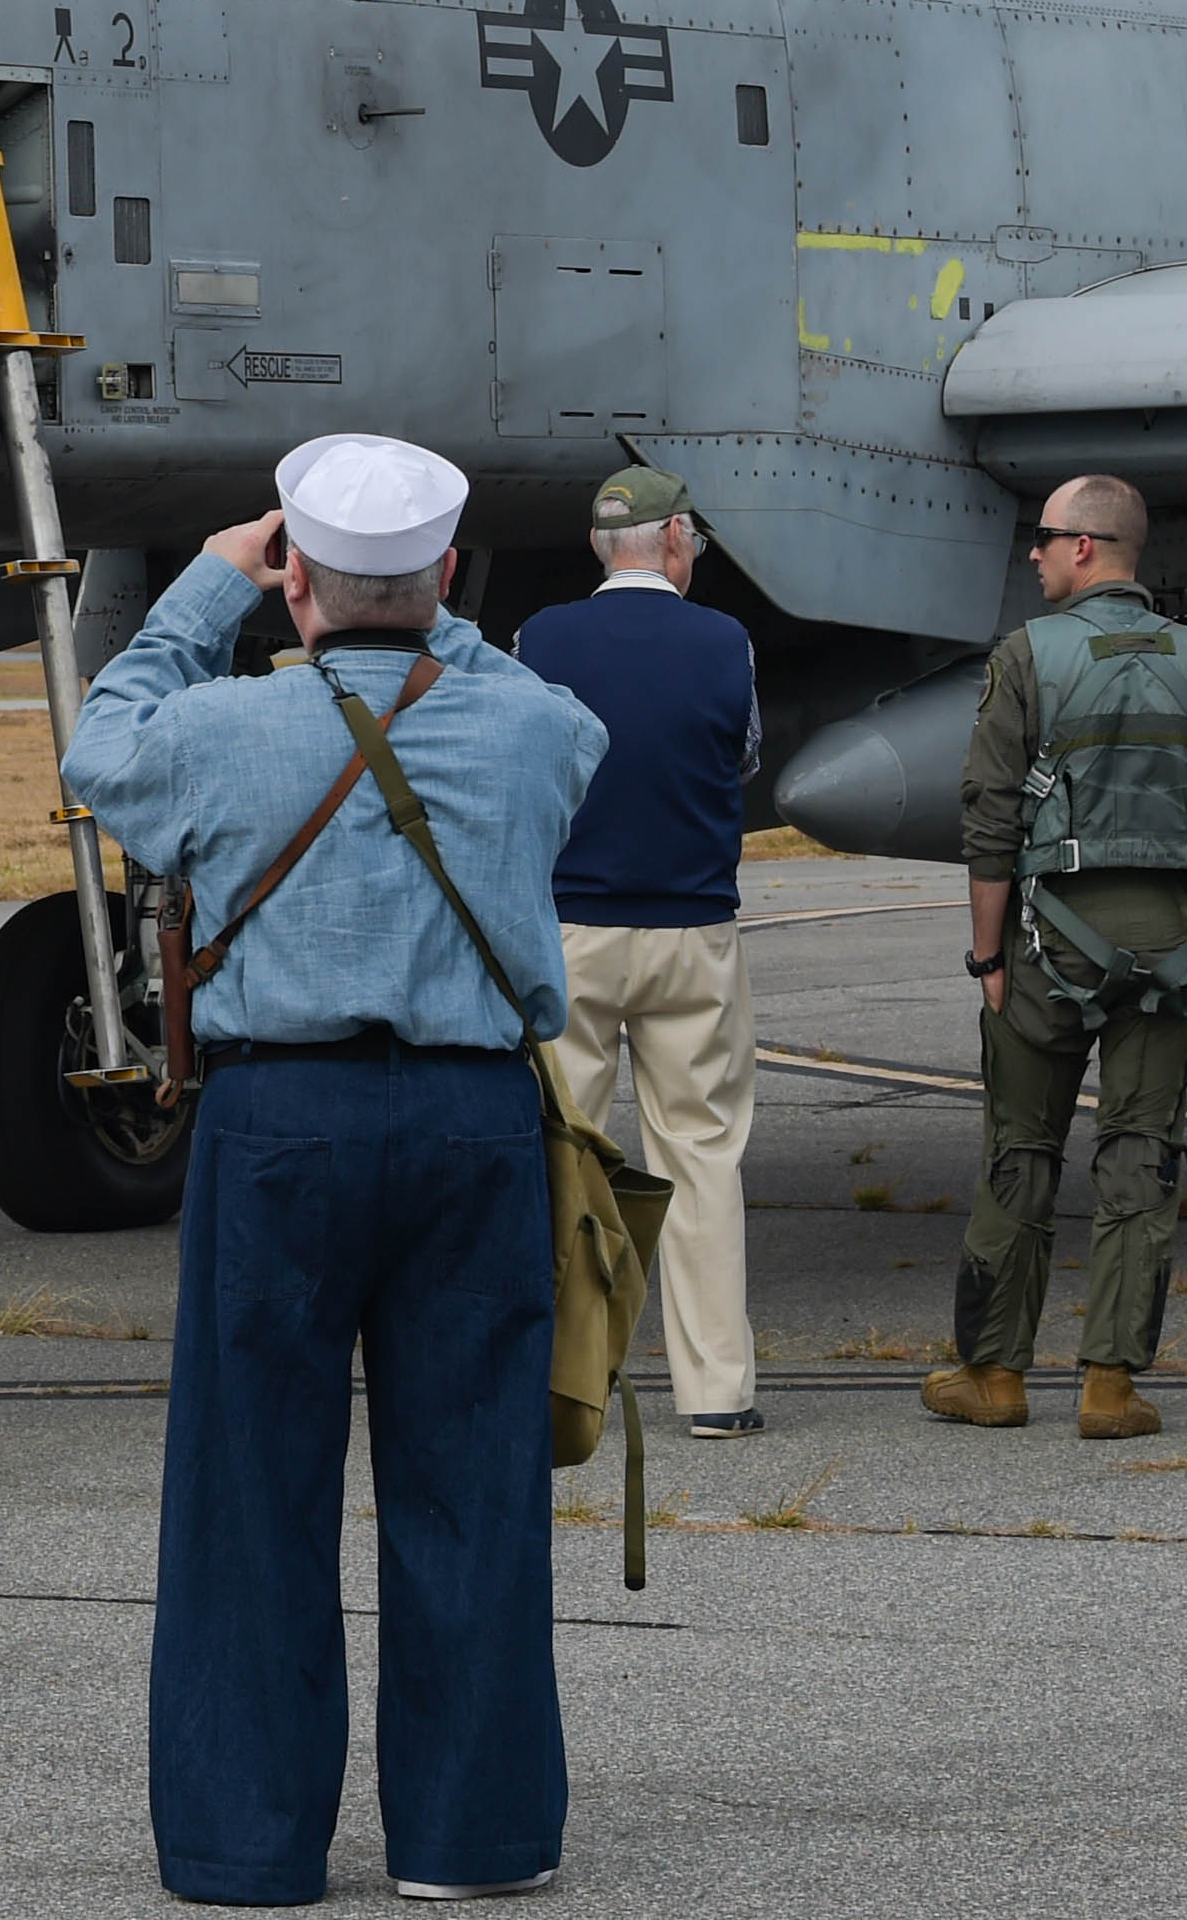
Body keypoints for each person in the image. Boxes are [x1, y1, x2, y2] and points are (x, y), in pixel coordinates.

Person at [65, 434, 606, 1909]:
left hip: (278, 1119)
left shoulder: (222, 726)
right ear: (443, 574)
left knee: (251, 1487)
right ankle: (472, 1835)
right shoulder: (521, 725)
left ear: (291, 576)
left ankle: (249, 1843)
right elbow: (566, 730)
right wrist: (426, 617)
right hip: (469, 1120)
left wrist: (200, 595)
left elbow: (97, 742)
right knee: (473, 1475)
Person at [925, 472, 1187, 1442]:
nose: (1032, 552)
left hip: (1045, 943)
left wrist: (986, 954)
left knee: (1020, 1149)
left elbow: (990, 815)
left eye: (1041, 536)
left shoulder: (1024, 656)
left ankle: (993, 1373)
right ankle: (1108, 1385)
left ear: (1082, 546)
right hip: (1170, 954)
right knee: (1140, 1153)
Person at [515, 468, 766, 1440]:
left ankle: (568, 1382)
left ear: (596, 547)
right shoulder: (724, 641)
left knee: (567, 1154)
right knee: (699, 1153)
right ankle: (716, 1388)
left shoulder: (538, 639)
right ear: (674, 542)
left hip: (569, 928)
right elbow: (738, 754)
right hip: (691, 931)